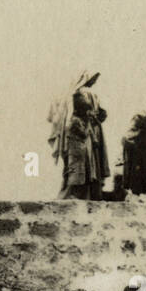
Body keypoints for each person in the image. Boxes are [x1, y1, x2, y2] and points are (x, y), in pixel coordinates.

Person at [48, 71, 109, 200]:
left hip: (81, 132)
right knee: (83, 164)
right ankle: (77, 194)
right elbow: (98, 113)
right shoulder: (82, 94)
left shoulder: (71, 94)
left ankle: (81, 194)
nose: (94, 82)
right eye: (93, 79)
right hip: (82, 132)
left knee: (83, 164)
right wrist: (94, 118)